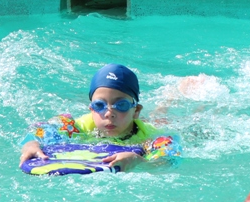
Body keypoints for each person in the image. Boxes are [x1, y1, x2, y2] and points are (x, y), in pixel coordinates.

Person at [19, 64, 180, 172]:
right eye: (99, 106)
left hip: (144, 127)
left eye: (121, 105)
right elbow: (38, 130)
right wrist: (31, 144)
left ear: (136, 110)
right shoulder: (77, 127)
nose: (109, 113)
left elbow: (168, 161)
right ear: (91, 109)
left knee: (159, 117)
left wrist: (139, 161)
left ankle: (171, 96)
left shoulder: (151, 136)